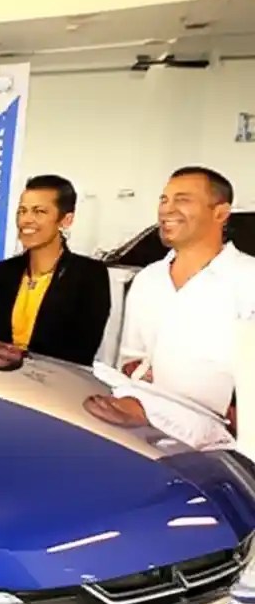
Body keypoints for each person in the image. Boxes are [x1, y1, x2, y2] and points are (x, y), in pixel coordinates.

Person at [89, 167, 255, 446]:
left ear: (220, 213)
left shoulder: (248, 279)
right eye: (163, 200)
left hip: (224, 445)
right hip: (146, 435)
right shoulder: (147, 280)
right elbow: (130, 361)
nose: (167, 210)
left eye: (182, 199)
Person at [0, 175, 111, 365]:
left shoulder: (90, 276)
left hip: (56, 385)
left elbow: (82, 351)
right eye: (22, 211)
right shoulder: (1, 272)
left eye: (39, 211)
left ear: (66, 219)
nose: (27, 219)